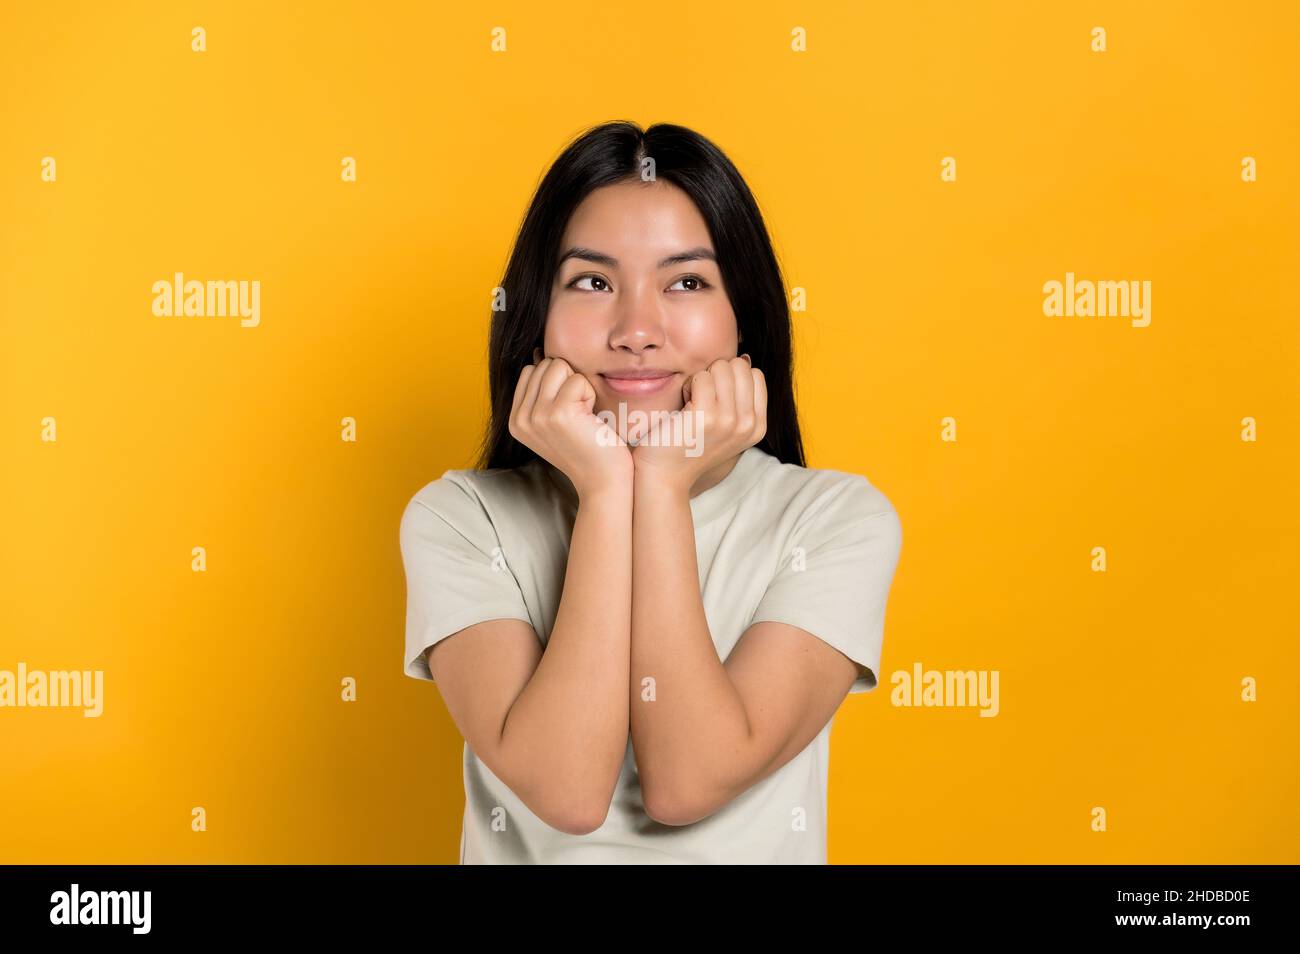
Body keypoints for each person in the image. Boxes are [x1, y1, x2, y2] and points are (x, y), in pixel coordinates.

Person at [399, 120, 903, 863]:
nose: (637, 329)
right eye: (593, 282)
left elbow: (687, 781)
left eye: (688, 282)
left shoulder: (833, 521)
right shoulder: (462, 518)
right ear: (537, 323)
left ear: (745, 323)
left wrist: (662, 487)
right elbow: (567, 791)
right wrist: (607, 494)